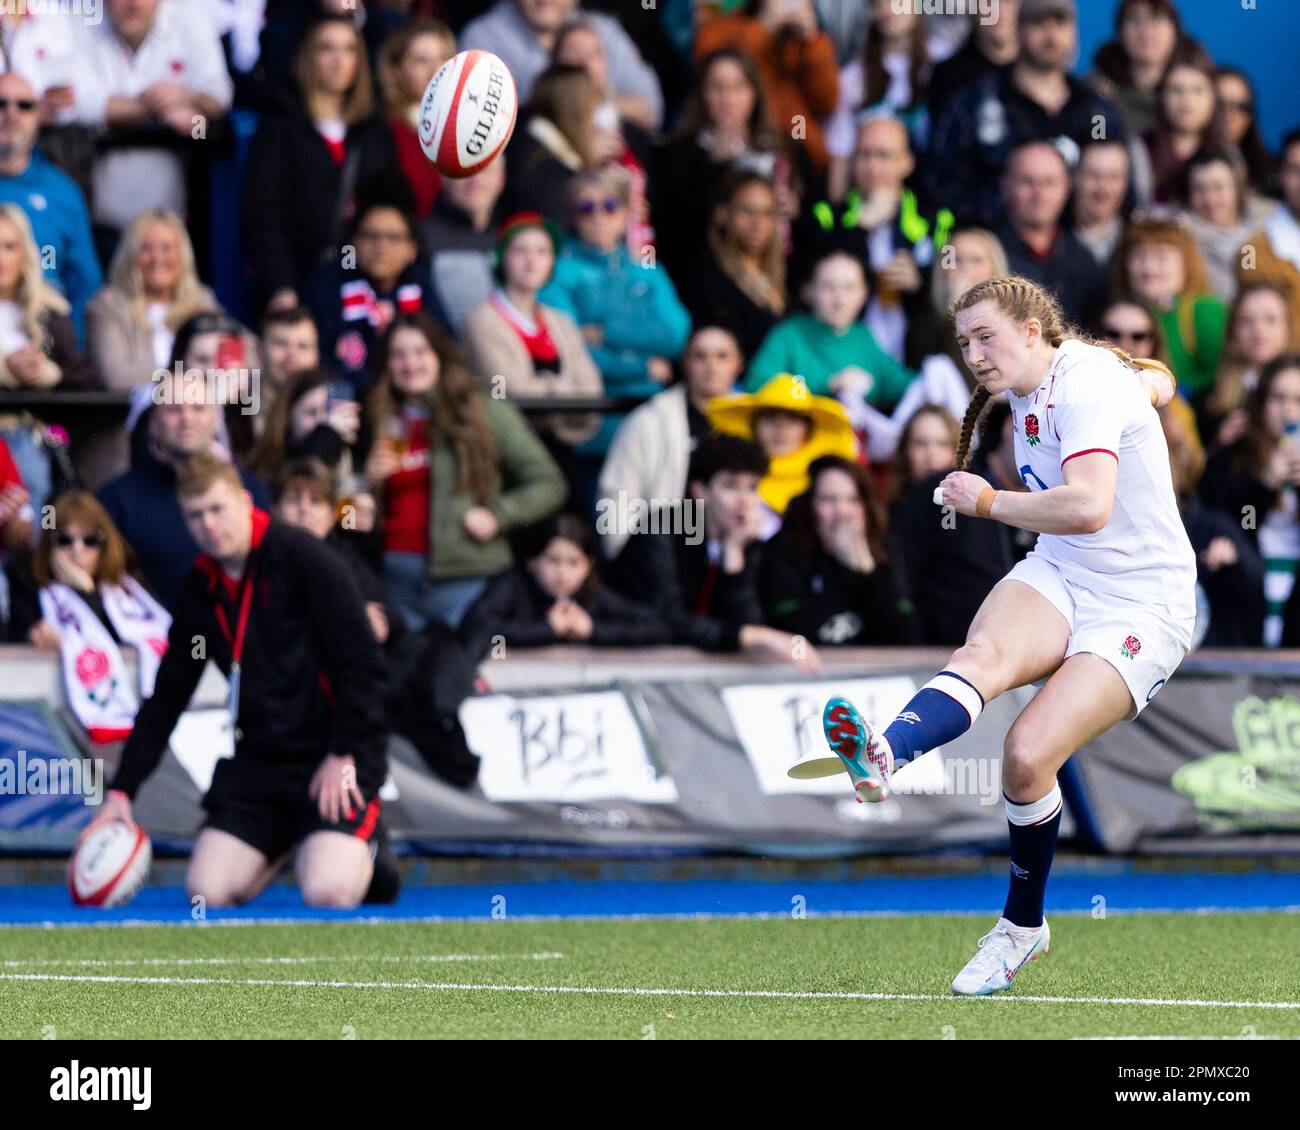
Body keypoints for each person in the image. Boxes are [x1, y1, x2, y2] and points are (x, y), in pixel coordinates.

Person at [815, 275, 1193, 995]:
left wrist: (987, 501)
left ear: (1032, 329)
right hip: (1063, 569)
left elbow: (1087, 506)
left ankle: (1022, 927)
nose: (975, 354)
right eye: (963, 344)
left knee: (1025, 758)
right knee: (979, 656)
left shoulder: (1083, 384)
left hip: (1142, 603)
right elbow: (1156, 384)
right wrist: (1154, 379)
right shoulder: (1038, 389)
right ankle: (883, 753)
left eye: (986, 336)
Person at [83, 455, 394, 909]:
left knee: (329, 891)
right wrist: (122, 790)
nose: (208, 525)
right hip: (261, 761)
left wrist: (344, 752)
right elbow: (168, 695)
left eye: (217, 509)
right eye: (195, 515)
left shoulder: (306, 559)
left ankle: (367, 856)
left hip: (333, 754)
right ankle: (293, 841)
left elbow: (363, 663)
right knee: (207, 892)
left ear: (245, 502)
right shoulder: (201, 588)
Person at [363, 313, 566, 632]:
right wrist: (368, 482)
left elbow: (549, 482)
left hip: (465, 581)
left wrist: (498, 515)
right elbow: (347, 509)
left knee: (456, 677)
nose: (409, 363)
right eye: (398, 354)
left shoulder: (483, 410)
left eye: (420, 351)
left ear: (441, 355)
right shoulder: (378, 415)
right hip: (396, 580)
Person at [611, 431, 822, 671]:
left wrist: (734, 558)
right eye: (730, 486)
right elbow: (667, 621)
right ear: (700, 491)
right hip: (626, 664)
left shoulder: (747, 539)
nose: (744, 500)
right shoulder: (661, 529)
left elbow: (746, 628)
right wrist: (758, 636)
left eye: (752, 487)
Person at [241, 15, 403, 316]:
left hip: (360, 283)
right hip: (299, 279)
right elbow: (261, 217)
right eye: (327, 48)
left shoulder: (375, 129)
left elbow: (389, 206)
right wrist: (281, 287)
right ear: (308, 57)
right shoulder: (280, 125)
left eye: (349, 49)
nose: (338, 60)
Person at [923, 0, 1125, 229]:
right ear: (1018, 29)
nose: (1050, 36)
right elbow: (939, 183)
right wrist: (1010, 206)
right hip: (995, 250)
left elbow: (1120, 187)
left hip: (1075, 251)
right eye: (1038, 23)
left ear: (1074, 32)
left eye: (1060, 24)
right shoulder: (975, 104)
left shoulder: (1096, 112)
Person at [539, 167, 691, 452]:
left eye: (609, 206)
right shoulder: (556, 273)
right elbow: (568, 351)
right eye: (586, 208)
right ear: (573, 217)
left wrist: (606, 332)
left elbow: (674, 336)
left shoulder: (646, 269)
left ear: (625, 215)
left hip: (653, 419)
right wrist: (642, 366)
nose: (598, 216)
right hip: (592, 422)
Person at [6, 490, 171, 743]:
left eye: (89, 540)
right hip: (51, 730)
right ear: (50, 544)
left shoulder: (130, 591)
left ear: (105, 545)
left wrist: (86, 593)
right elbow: (15, 634)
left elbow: (125, 636)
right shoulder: (27, 586)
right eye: (65, 541)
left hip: (140, 727)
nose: (77, 551)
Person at [98, 369, 272, 610]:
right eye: (173, 409)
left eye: (198, 408)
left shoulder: (252, 489)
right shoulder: (115, 501)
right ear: (154, 422)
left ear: (215, 418)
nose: (186, 418)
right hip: (156, 639)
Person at [77, 0, 232, 240]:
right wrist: (157, 109)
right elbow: (77, 105)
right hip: (99, 224)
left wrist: (188, 97)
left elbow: (219, 97)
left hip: (177, 223)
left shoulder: (189, 16)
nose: (133, 4)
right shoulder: (83, 21)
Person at [462, 211, 603, 467]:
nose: (532, 261)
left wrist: (544, 391)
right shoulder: (481, 321)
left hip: (563, 450)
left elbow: (592, 391)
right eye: (520, 251)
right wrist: (566, 395)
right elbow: (508, 391)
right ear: (502, 258)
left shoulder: (561, 321)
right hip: (505, 457)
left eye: (542, 251)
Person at [596, 324, 742, 561]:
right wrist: (623, 555)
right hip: (670, 553)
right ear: (685, 363)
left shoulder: (757, 420)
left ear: (738, 364)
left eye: (722, 356)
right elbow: (618, 495)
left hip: (738, 551)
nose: (711, 366)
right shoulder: (647, 421)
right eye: (700, 356)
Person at [461, 512, 668, 660]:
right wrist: (547, 629)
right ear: (532, 561)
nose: (562, 573)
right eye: (553, 560)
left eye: (573, 562)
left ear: (589, 566)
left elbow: (657, 627)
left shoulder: (593, 594)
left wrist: (593, 630)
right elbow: (477, 629)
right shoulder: (511, 586)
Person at [760, 454, 920, 646]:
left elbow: (907, 637)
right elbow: (791, 634)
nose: (841, 511)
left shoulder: (885, 548)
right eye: (828, 499)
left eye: (852, 500)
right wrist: (844, 569)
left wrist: (867, 569)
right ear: (810, 504)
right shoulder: (784, 549)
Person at [1199, 355, 1300, 648]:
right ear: (1261, 403)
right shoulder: (1239, 456)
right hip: (1255, 587)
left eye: (1298, 399)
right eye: (1278, 399)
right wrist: (1264, 486)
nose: (1289, 410)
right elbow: (1244, 524)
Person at [305, 197, 446, 399]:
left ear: (412, 249)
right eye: (371, 236)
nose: (382, 246)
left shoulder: (421, 284)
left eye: (394, 237)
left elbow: (445, 347)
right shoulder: (329, 284)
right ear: (353, 241)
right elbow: (317, 356)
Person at [0, 70, 102, 344]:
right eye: (1, 104)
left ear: (38, 116)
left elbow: (85, 285)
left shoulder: (63, 192)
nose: (11, 113)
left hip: (45, 340)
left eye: (24, 105)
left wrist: (70, 352)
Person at [746, 247, 915, 407]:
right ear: (808, 290)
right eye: (828, 286)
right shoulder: (789, 334)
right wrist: (829, 383)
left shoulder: (862, 336)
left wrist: (934, 374)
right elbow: (757, 383)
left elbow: (897, 382)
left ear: (863, 294)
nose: (839, 299)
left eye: (849, 287)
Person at [460, 0, 663, 129]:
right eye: (574, 52)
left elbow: (651, 110)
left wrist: (594, 108)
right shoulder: (483, 37)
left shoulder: (603, 30)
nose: (544, 1)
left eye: (592, 54)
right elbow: (476, 126)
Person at [694, 0, 839, 171]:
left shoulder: (801, 38)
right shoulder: (726, 26)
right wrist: (764, 28)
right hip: (739, 137)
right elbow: (713, 68)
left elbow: (825, 102)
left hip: (795, 134)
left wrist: (812, 41)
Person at [86, 209, 222, 391]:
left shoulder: (202, 302)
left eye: (166, 248)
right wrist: (190, 379)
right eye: (146, 249)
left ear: (182, 255)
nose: (157, 258)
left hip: (199, 414)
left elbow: (244, 358)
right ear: (130, 256)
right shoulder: (108, 305)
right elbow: (116, 376)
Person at [709, 372, 858, 536]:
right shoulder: (729, 475)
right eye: (770, 417)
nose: (781, 428)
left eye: (792, 419)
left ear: (807, 430)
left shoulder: (824, 480)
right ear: (754, 425)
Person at [1113, 216, 1226, 407]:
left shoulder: (1204, 311)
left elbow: (1225, 375)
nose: (1149, 268)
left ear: (1186, 264)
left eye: (1161, 257)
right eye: (1139, 256)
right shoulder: (1115, 315)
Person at [996, 141, 1107, 328]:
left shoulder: (1084, 260)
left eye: (1049, 182)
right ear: (1005, 186)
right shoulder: (987, 254)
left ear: (1066, 188)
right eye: (1027, 181)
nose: (1039, 193)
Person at [681, 170, 786, 363]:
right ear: (722, 214)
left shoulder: (786, 276)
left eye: (767, 213)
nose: (758, 223)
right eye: (747, 211)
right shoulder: (707, 281)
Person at [0, 203, 91, 390]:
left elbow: (80, 379)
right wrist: (8, 368)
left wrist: (45, 373)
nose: (0, 257)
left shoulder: (52, 311)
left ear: (25, 254)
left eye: (9, 247)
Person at [417, 158, 507, 339]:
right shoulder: (419, 237)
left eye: (486, 171)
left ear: (501, 180)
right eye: (465, 172)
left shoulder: (511, 236)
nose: (476, 181)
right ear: (443, 178)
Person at [501, 64, 600, 226]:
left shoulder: (534, 149)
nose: (597, 112)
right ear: (576, 110)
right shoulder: (546, 171)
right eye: (593, 101)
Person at [377, 18, 455, 219]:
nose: (436, 70)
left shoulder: (470, 123)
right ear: (396, 71)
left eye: (443, 58)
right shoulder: (385, 132)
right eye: (421, 60)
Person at [1204, 282, 1295, 449]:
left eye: (1270, 319)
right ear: (1233, 331)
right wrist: (1219, 444)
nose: (1258, 329)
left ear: (1288, 327)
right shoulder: (1209, 400)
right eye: (1246, 321)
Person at [1180, 147, 1275, 303]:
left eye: (1218, 187)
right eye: (1199, 189)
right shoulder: (1181, 236)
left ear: (1238, 188)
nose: (1209, 199)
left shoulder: (1272, 221)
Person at [1084, 0, 1186, 138]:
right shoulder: (1096, 89)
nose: (1146, 31)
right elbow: (1098, 139)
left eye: (1156, 19)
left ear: (1175, 30)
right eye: (1134, 20)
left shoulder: (1192, 87)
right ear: (1120, 32)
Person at [1068, 139, 1131, 269]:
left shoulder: (1137, 243)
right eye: (1093, 175)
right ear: (1075, 177)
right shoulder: (1049, 244)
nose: (1103, 188)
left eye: (1113, 177)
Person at [1215, 66, 1274, 197]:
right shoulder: (1181, 166)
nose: (1231, 114)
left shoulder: (1271, 172)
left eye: (1241, 106)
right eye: (1221, 104)